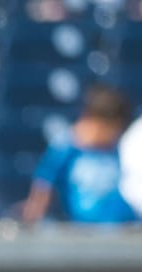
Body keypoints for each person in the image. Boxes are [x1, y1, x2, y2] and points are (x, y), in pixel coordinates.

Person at [22, 84, 139, 227]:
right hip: (85, 229)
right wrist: (33, 215)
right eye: (111, 130)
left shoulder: (119, 147)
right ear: (93, 120)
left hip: (123, 225)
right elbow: (44, 184)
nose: (113, 136)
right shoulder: (65, 146)